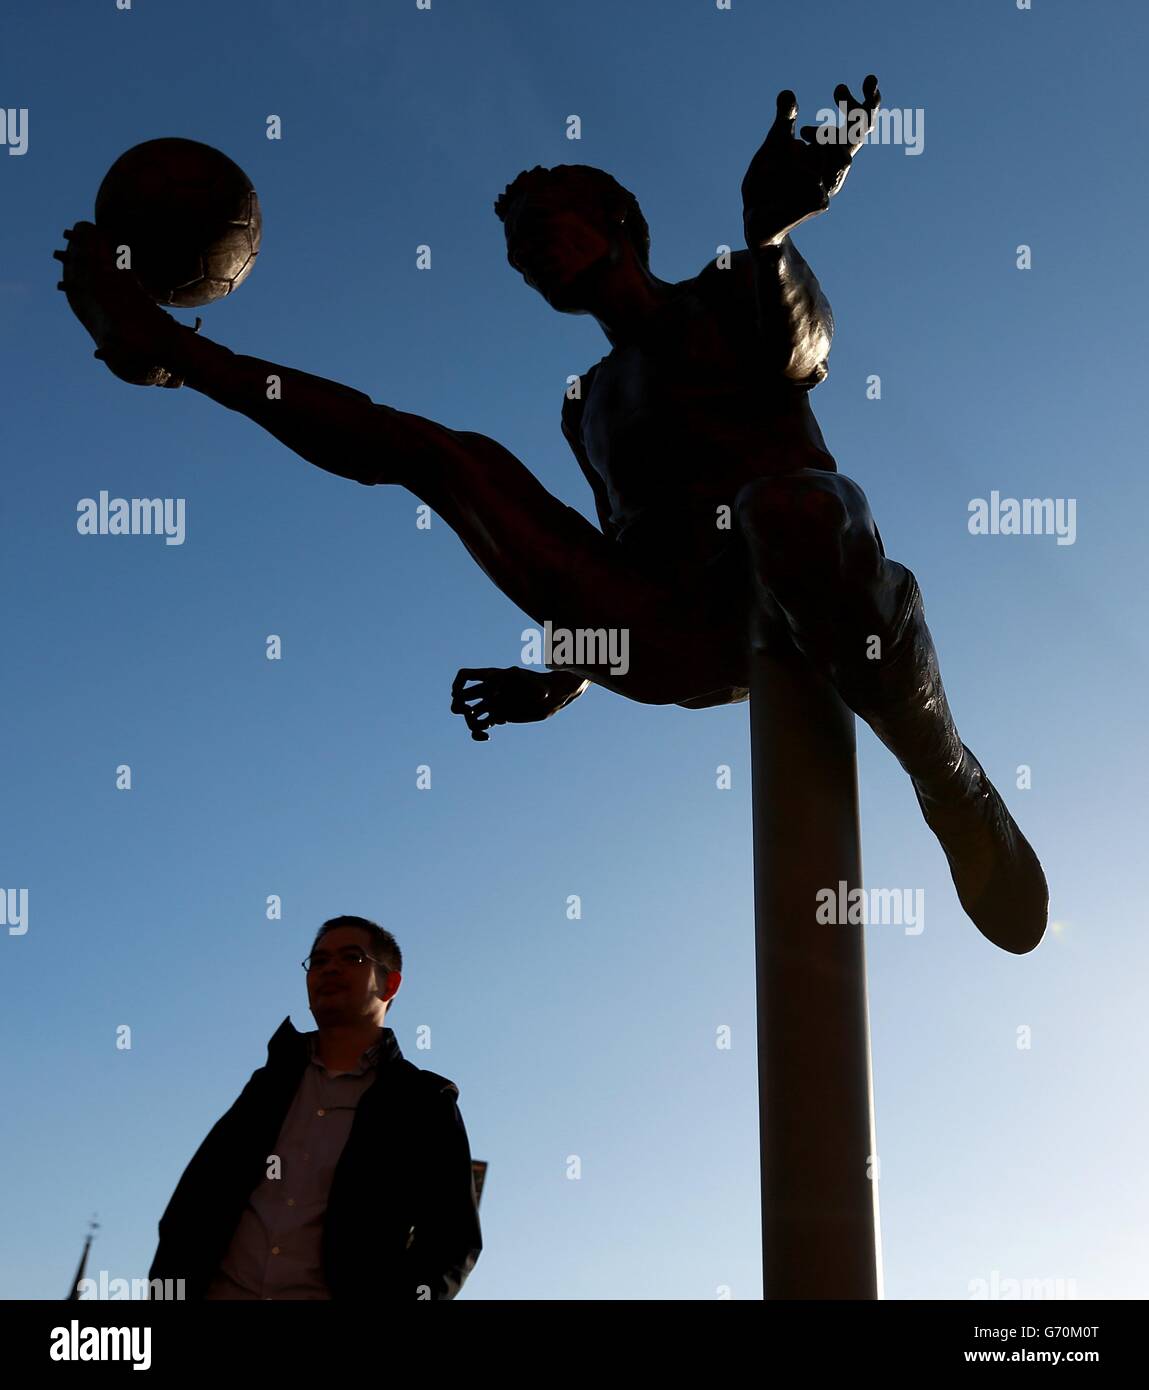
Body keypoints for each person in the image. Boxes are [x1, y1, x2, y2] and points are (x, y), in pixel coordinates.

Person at [53, 76, 1047, 954]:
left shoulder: (734, 292)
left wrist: (773, 235)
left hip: (807, 558)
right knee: (445, 454)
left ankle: (949, 779)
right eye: (518, 249)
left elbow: (801, 354)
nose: (529, 254)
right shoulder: (588, 404)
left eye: (545, 225)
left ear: (620, 217)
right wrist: (568, 673)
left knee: (786, 507)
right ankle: (174, 351)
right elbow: (626, 544)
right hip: (680, 626)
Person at [146, 915, 482, 1300]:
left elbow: (452, 1243)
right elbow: (194, 1205)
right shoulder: (269, 1082)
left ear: (390, 984)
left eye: (352, 958)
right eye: (318, 961)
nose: (330, 968)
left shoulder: (423, 1102)